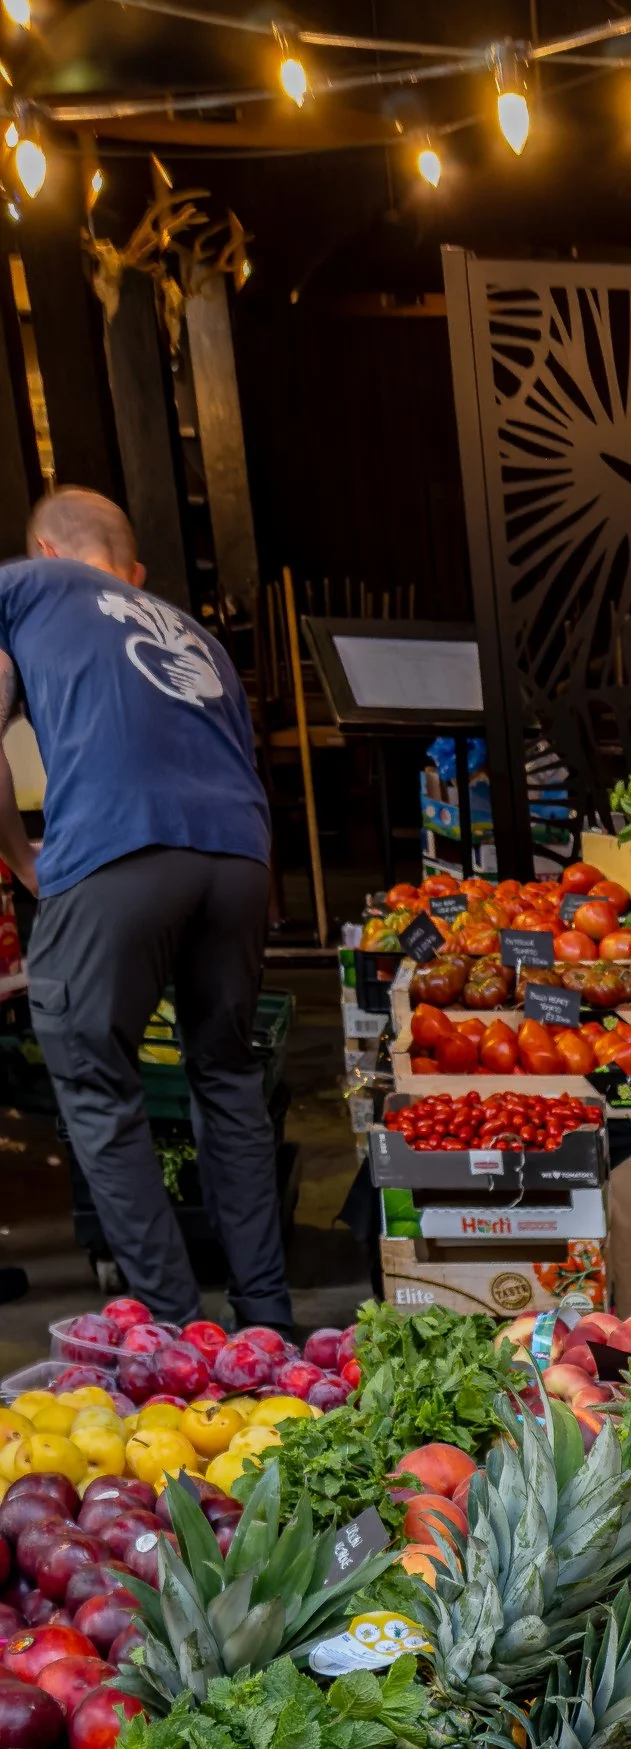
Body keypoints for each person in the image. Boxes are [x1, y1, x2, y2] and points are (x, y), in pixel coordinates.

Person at [0, 486, 286, 1332]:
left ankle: (174, 1335)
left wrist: (23, 861)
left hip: (118, 849)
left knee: (95, 1084)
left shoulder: (25, 587)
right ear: (133, 570)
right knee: (227, 1074)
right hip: (240, 856)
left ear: (47, 550)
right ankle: (266, 1322)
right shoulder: (195, 633)